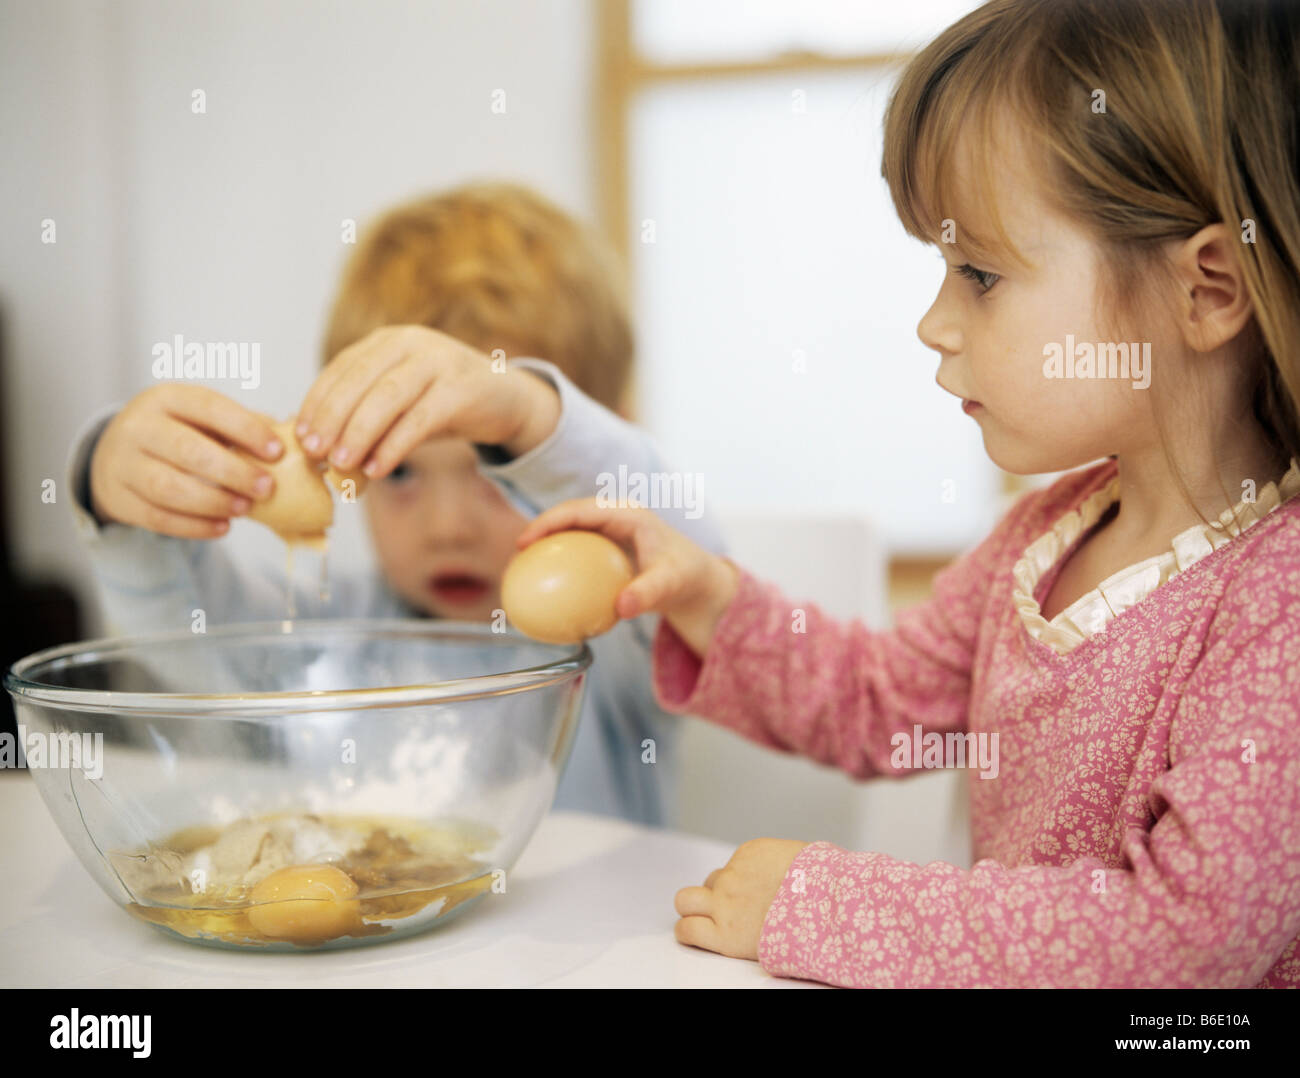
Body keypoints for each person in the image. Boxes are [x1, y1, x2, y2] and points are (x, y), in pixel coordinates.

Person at [515, 0, 1300, 987]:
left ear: (1207, 290)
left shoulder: (1277, 600)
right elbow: (881, 702)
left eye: (977, 274)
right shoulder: (1041, 538)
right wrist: (707, 599)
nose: (933, 322)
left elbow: (1183, 936)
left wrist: (826, 905)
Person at [68, 181, 723, 826]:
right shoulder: (326, 632)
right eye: (401, 472)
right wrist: (120, 494)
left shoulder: (616, 641)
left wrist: (532, 413)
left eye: (501, 468)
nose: (449, 528)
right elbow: (187, 638)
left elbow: (695, 577)